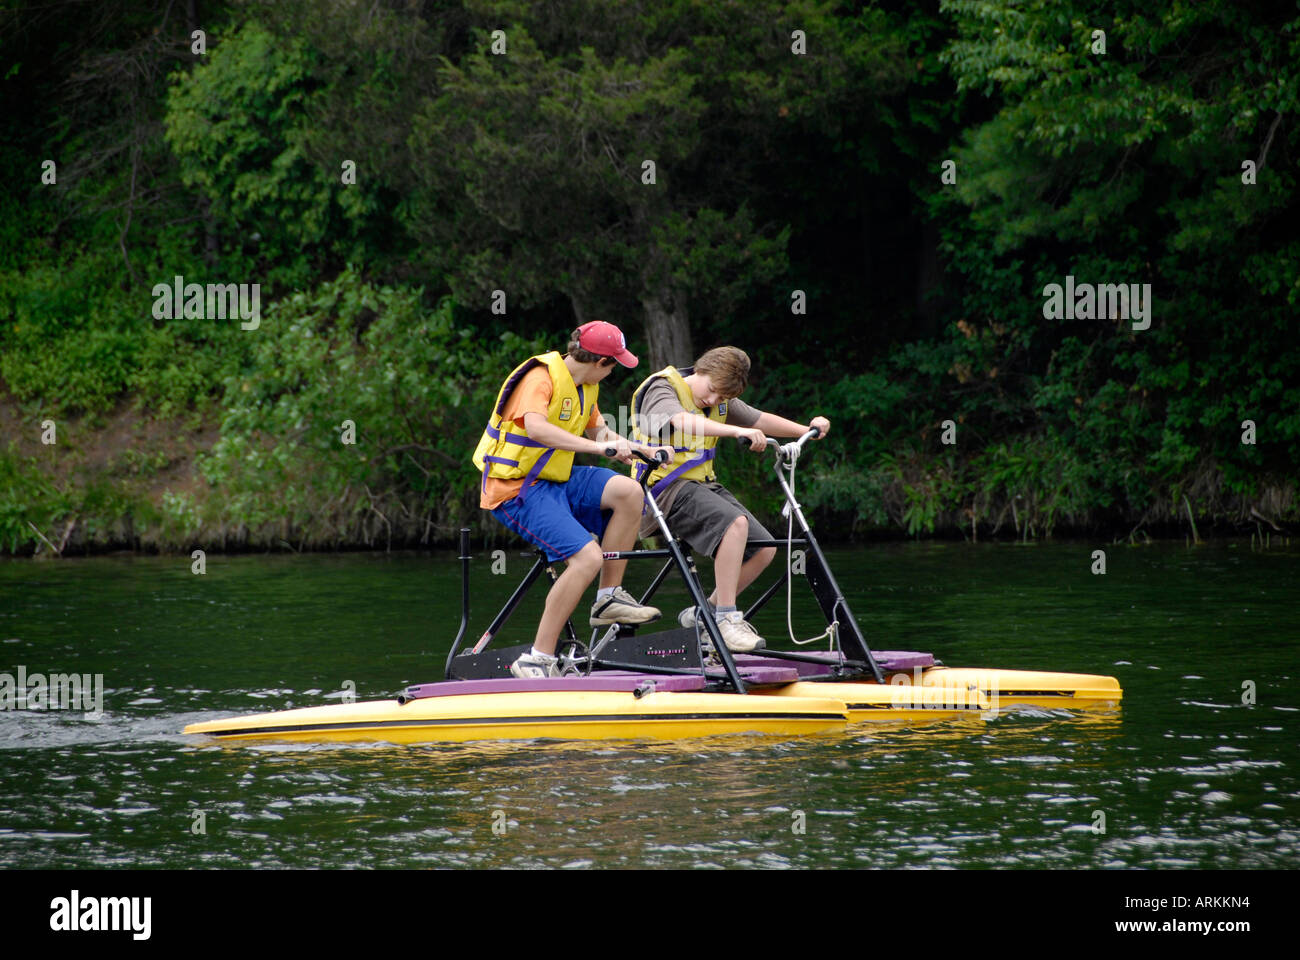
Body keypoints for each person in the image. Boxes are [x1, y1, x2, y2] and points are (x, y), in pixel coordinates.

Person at [473, 321, 672, 679]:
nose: (613, 372)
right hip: (517, 489)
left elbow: (600, 432)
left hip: (556, 481)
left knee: (629, 491)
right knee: (586, 558)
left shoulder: (585, 387)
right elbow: (536, 427)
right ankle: (537, 658)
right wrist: (599, 448)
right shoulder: (541, 379)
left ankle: (608, 597)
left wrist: (640, 448)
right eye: (614, 365)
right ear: (600, 362)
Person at [629, 346, 830, 652]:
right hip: (661, 492)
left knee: (764, 548)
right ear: (700, 370)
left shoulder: (721, 397)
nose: (713, 401)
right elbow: (682, 421)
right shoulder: (662, 388)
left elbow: (758, 419)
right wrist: (737, 431)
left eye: (721, 398)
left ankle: (705, 615)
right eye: (711, 391)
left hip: (701, 487)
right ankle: (725, 620)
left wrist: (808, 430)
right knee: (735, 524)